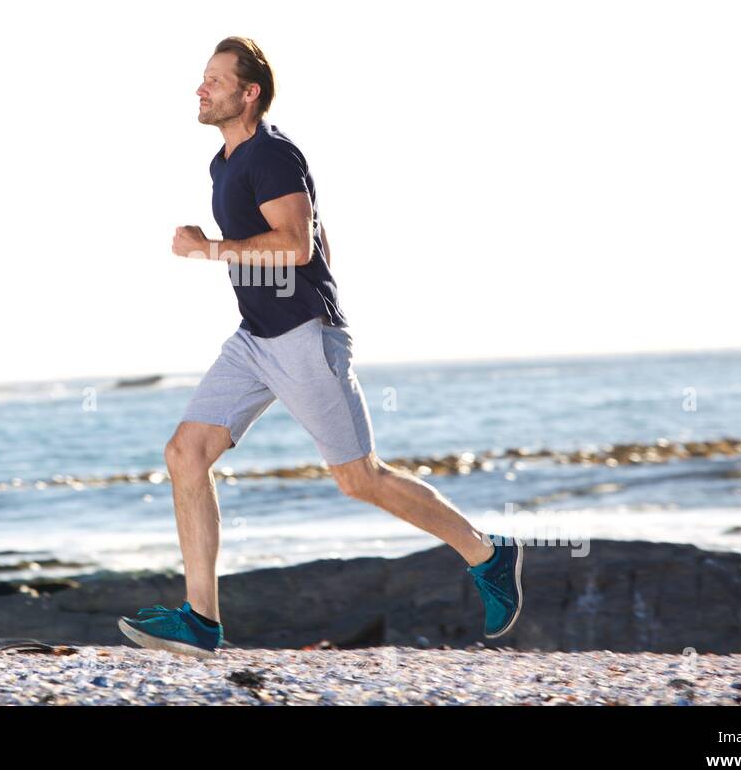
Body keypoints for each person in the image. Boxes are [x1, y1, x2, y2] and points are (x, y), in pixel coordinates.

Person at [116, 37, 524, 659]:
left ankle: (488, 555)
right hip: (255, 338)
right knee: (184, 452)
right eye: (202, 79)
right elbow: (317, 237)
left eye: (213, 81)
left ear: (248, 93)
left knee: (359, 478)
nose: (200, 90)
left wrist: (211, 251)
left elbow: (299, 246)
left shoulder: (274, 155)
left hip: (304, 337)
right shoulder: (224, 163)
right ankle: (201, 620)